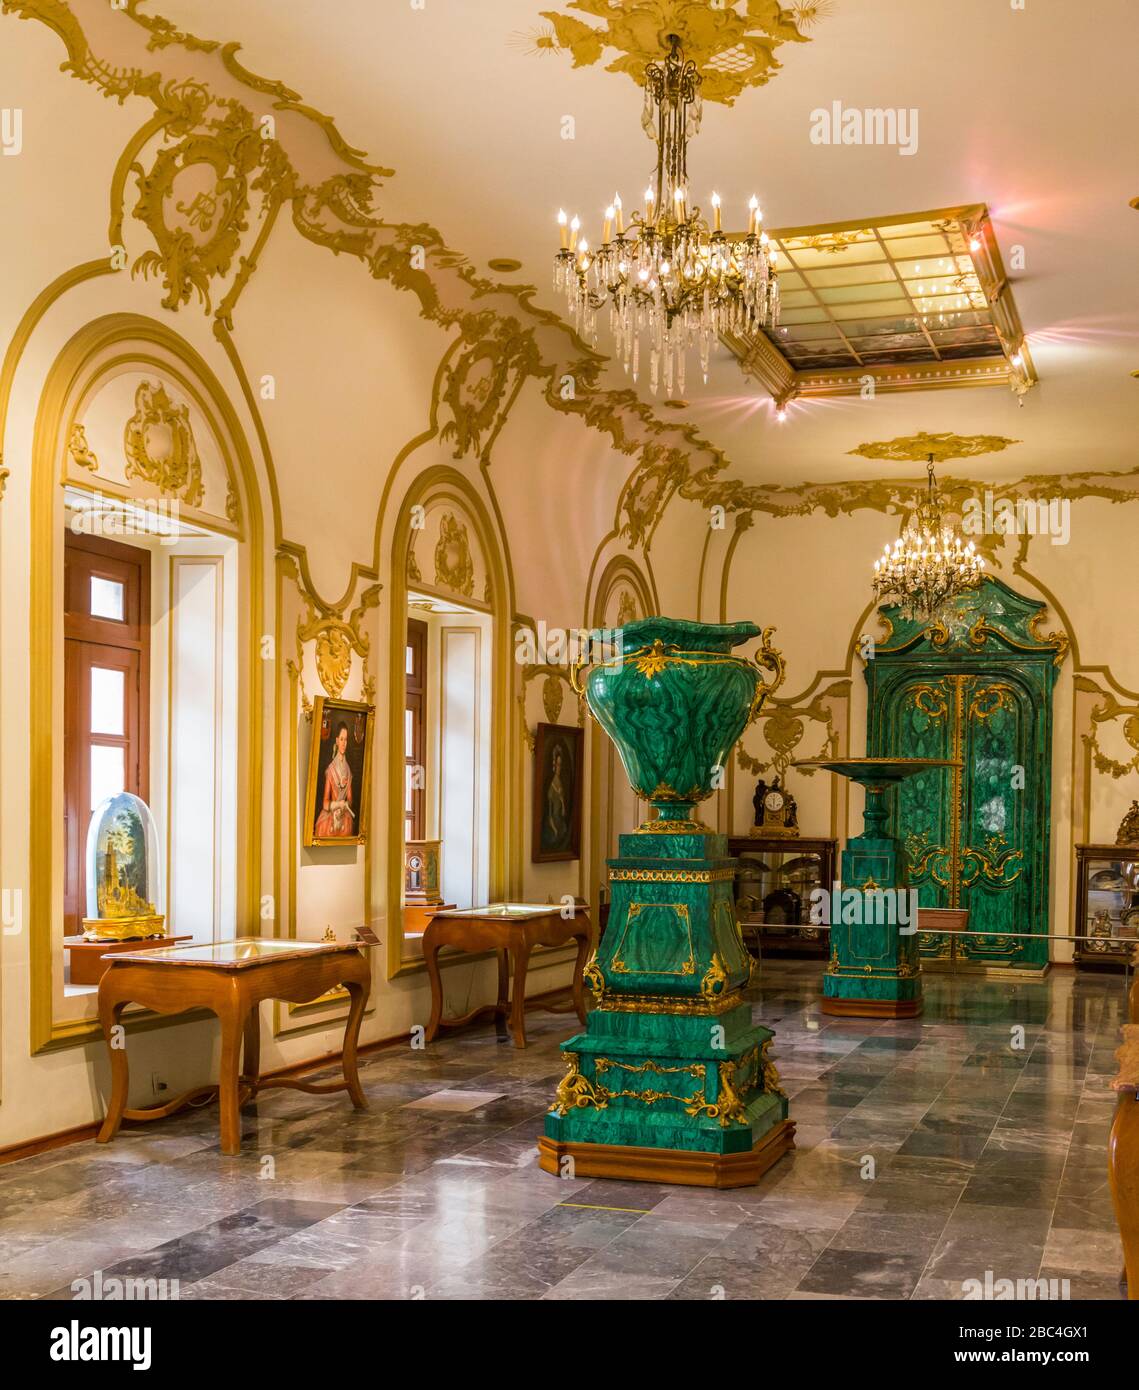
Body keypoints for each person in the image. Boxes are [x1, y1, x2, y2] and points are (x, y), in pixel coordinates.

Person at [314, 722, 355, 838]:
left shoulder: (348, 771)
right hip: (330, 816)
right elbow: (325, 803)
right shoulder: (330, 770)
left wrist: (345, 805)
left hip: (344, 816)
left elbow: (351, 800)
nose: (344, 743)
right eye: (341, 739)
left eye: (346, 740)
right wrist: (337, 805)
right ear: (337, 741)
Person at [543, 741, 570, 851]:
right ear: (554, 765)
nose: (559, 768)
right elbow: (549, 814)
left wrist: (563, 807)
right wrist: (554, 829)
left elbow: (562, 801)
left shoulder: (560, 783)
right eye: (558, 765)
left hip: (560, 820)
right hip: (554, 821)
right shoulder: (552, 785)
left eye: (561, 765)